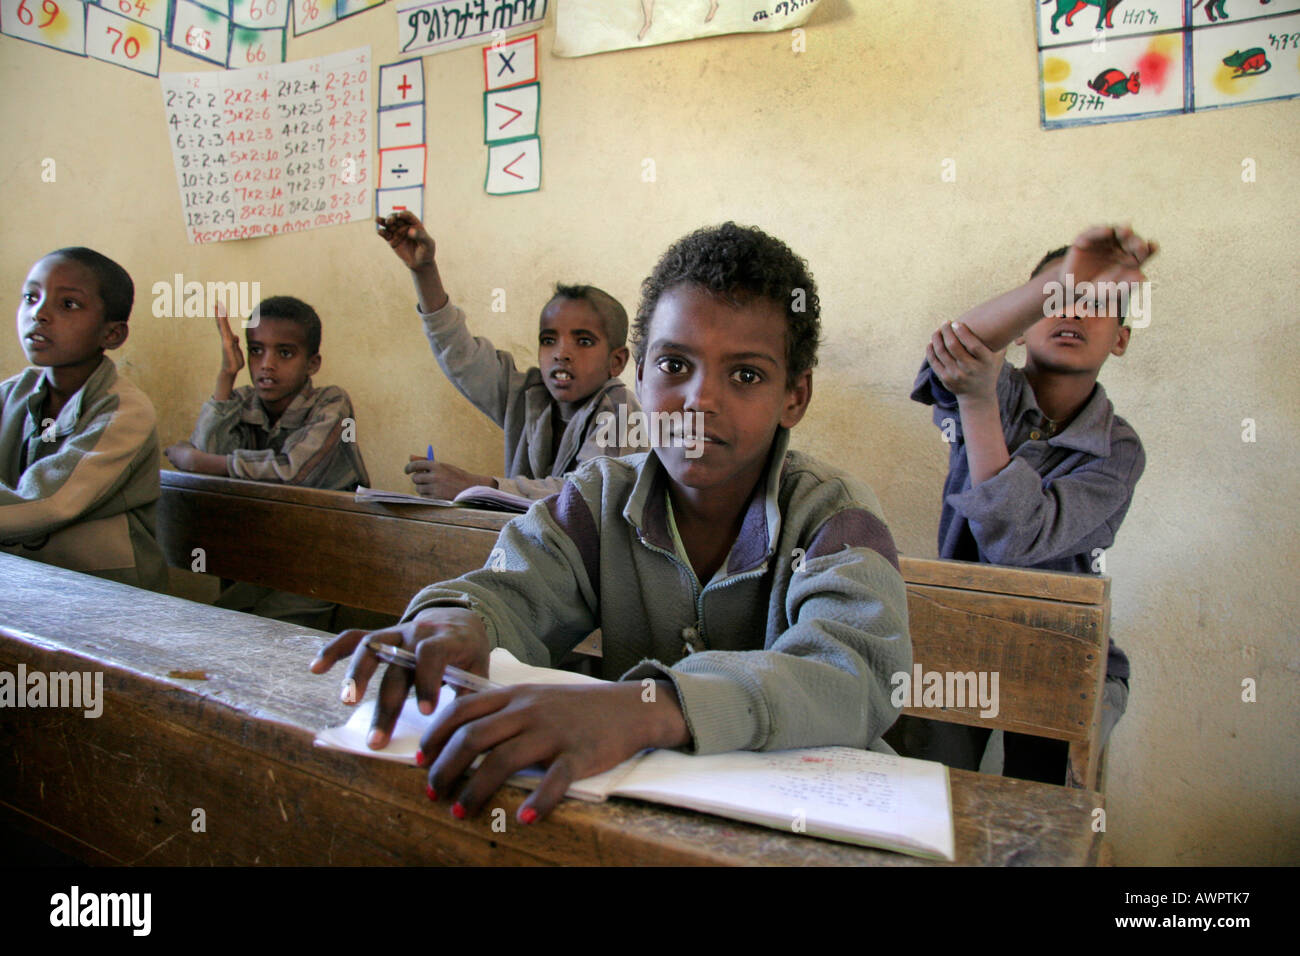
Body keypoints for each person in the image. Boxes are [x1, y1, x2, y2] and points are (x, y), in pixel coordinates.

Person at [312, 221, 911, 824]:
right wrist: (456, 620)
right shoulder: (598, 499)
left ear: (795, 396)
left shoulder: (833, 516)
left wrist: (650, 706)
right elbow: (512, 592)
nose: (700, 400)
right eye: (675, 364)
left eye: (746, 375)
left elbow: (852, 671)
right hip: (645, 819)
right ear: (642, 375)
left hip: (814, 820)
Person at [890, 223, 1155, 783]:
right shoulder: (986, 379)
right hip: (960, 639)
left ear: (1123, 338)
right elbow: (956, 346)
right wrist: (1062, 277)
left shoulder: (1119, 449)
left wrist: (978, 401)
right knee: (927, 789)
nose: (1072, 311)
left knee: (1046, 811)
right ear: (1022, 326)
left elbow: (1017, 544)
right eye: (1056, 299)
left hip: (1068, 652)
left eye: (1096, 303)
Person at [376, 211, 645, 500]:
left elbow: (585, 497)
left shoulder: (620, 410)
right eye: (549, 340)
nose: (561, 354)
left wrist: (479, 486)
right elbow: (461, 357)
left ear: (616, 361)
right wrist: (424, 270)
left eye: (583, 341)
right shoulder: (528, 396)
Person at [165, 296, 369, 627]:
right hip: (254, 555)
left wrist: (203, 462)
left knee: (270, 638)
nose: (266, 364)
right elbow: (203, 466)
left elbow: (292, 473)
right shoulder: (242, 400)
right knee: (219, 630)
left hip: (322, 561)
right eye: (256, 351)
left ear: (313, 363)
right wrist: (225, 377)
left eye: (285, 353)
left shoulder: (331, 403)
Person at [2, 247, 167, 592]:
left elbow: (49, 503)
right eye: (31, 297)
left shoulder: (126, 411)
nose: (39, 314)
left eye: (68, 305)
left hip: (110, 596)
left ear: (112, 334)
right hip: (31, 585)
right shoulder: (11, 395)